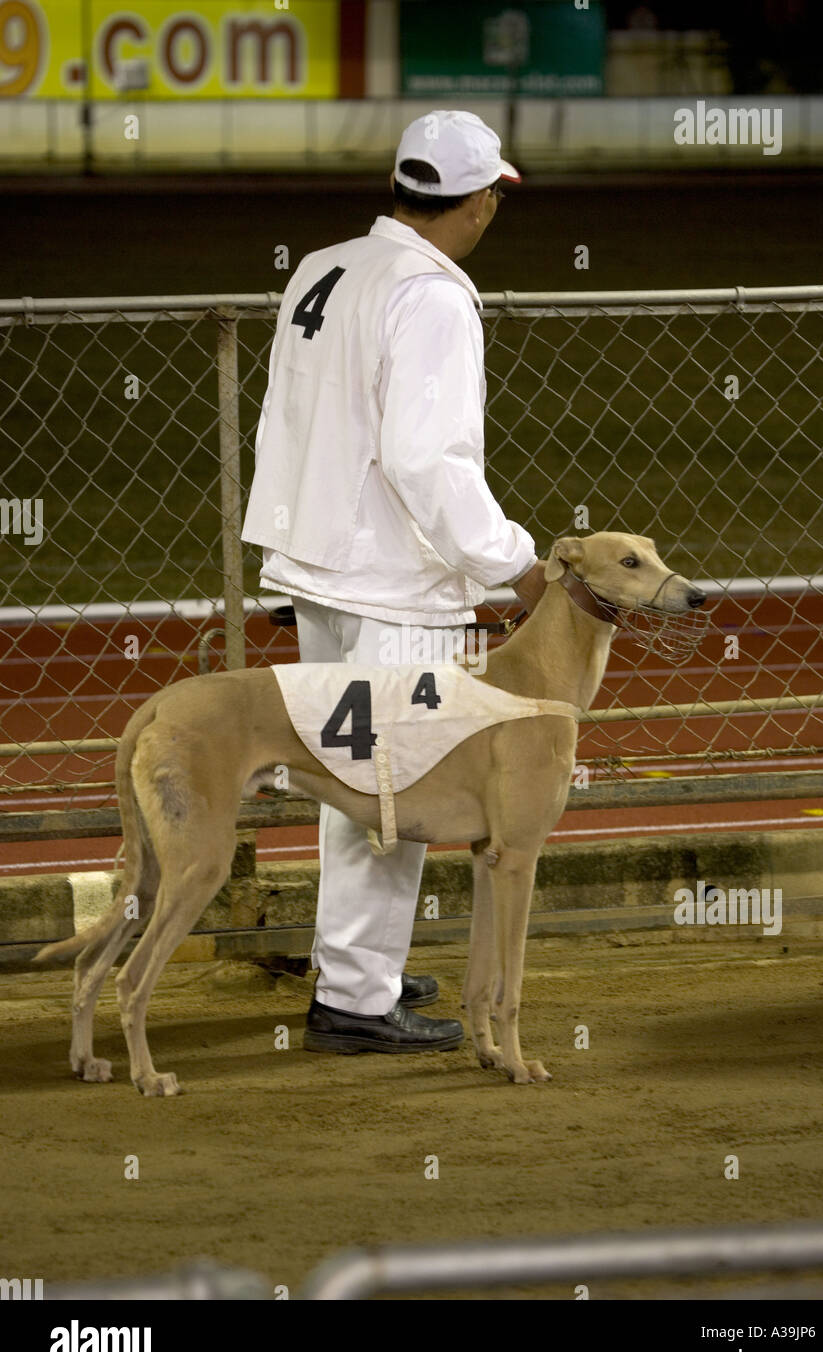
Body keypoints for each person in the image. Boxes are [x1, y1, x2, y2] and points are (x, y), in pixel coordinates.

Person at [242, 110, 547, 1057]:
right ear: (482, 201)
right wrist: (515, 563)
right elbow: (428, 460)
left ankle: (356, 968)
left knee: (353, 782)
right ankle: (358, 1005)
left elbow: (288, 422)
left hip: (318, 566)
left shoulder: (326, 264)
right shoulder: (433, 295)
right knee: (395, 791)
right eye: (496, 189)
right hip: (393, 585)